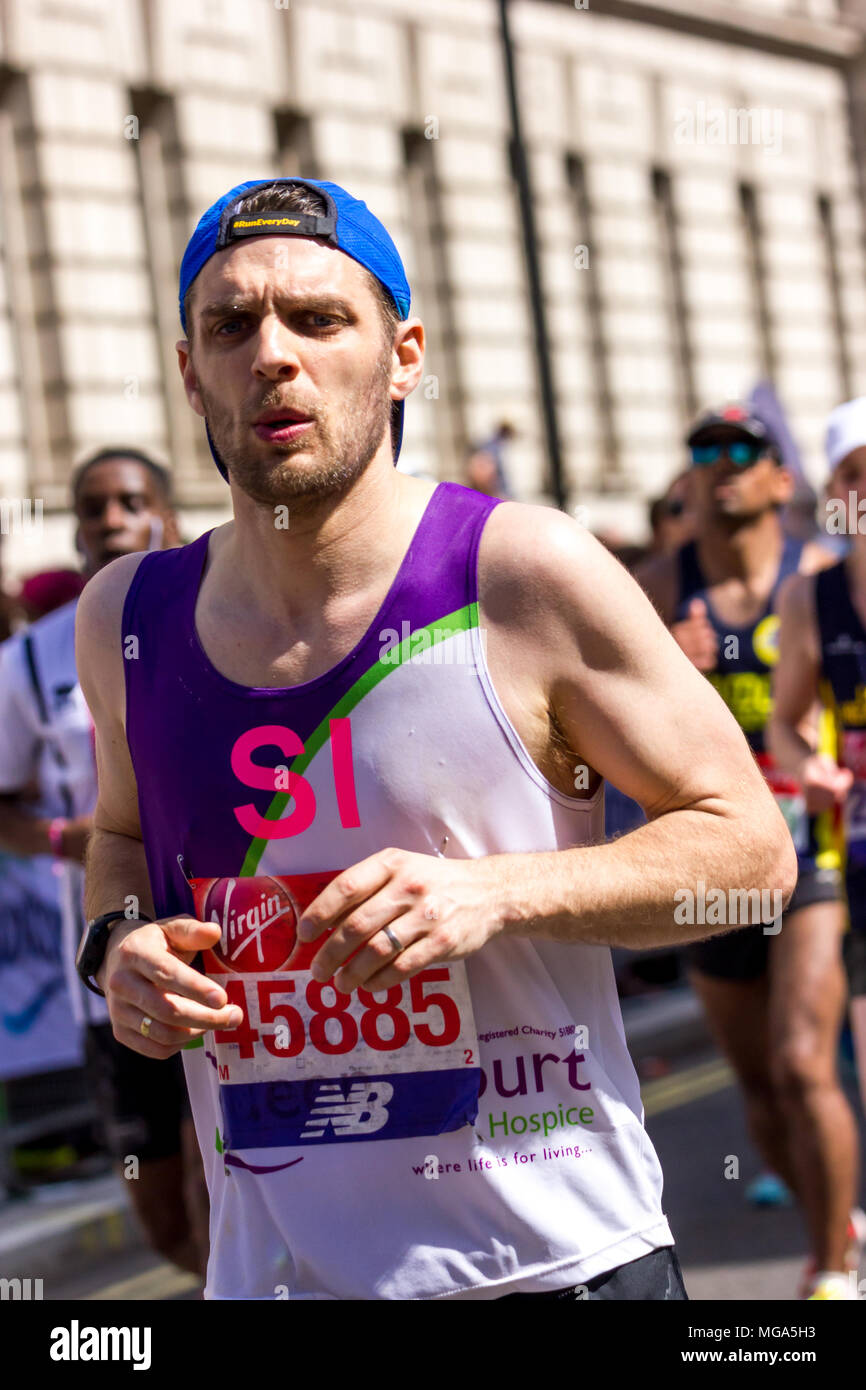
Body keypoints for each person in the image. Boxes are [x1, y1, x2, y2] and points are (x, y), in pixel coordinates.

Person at [75, 177, 794, 1302]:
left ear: (403, 355)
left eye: (318, 319)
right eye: (230, 325)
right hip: (273, 1280)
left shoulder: (520, 572)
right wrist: (117, 946)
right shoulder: (126, 617)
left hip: (552, 1265)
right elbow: (119, 833)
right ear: (188, 370)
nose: (272, 355)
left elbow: (751, 858)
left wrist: (496, 893)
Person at [636, 402, 861, 1300]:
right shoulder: (652, 591)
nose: (720, 465)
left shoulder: (816, 577)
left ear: (780, 479)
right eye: (702, 452)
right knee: (762, 1085)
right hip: (706, 860)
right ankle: (830, 1217)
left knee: (806, 1061)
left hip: (810, 849)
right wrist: (660, 673)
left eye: (741, 451)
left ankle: (833, 1275)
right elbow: (589, 731)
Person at [0, 448, 208, 1279]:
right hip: (107, 973)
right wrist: (70, 840)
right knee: (164, 1223)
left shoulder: (216, 618)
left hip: (219, 956)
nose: (111, 518)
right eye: (92, 507)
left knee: (217, 1191)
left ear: (163, 510)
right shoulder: (30, 660)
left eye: (130, 500)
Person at [770, 395, 866, 1164]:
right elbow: (783, 726)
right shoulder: (813, 597)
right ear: (836, 496)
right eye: (855, 476)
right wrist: (813, 771)